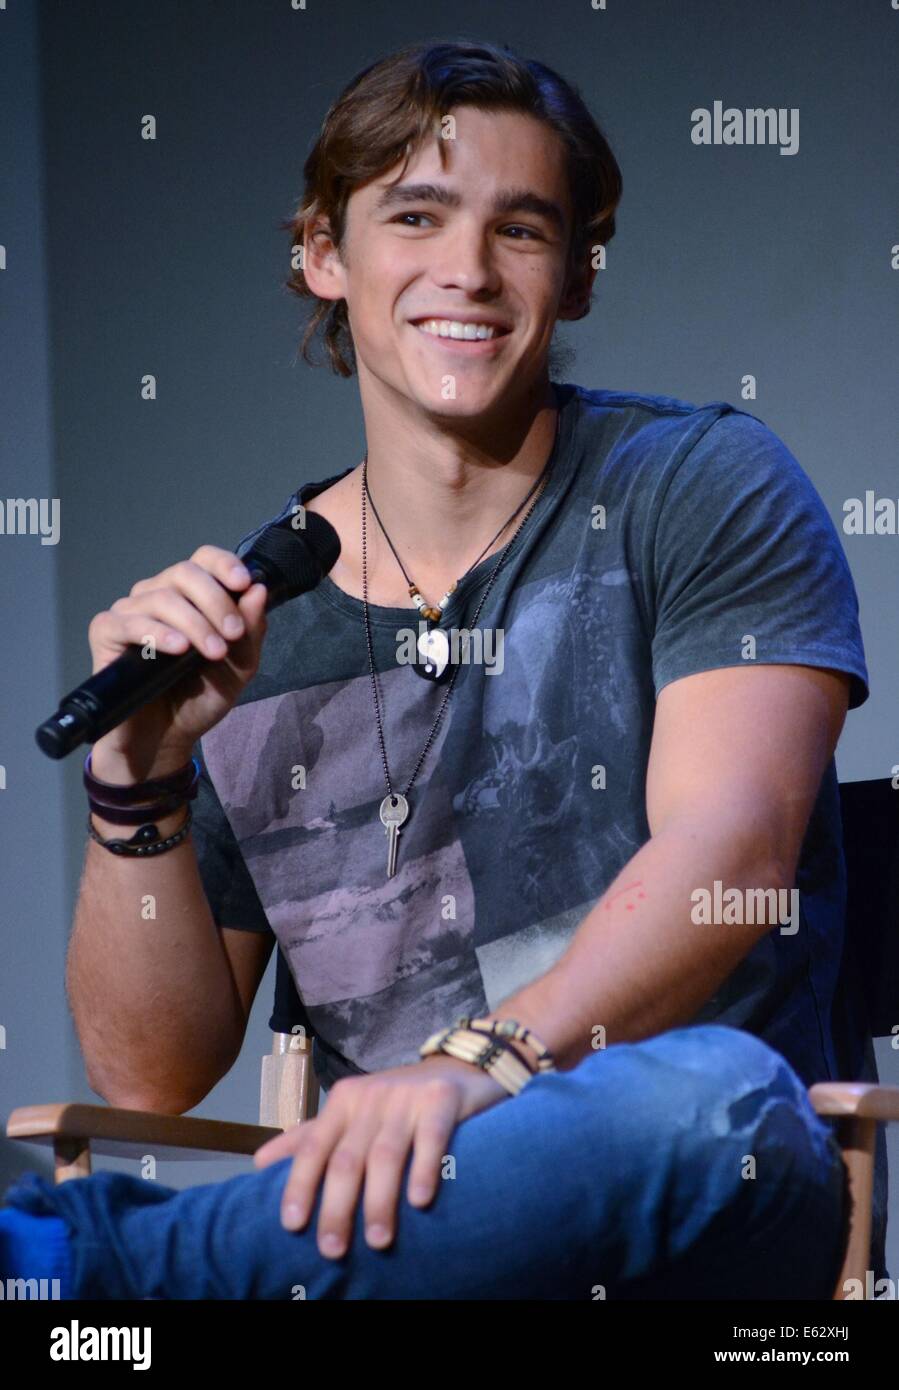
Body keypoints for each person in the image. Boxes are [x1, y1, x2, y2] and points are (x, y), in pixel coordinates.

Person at [1, 37, 886, 1299]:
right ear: (322, 252)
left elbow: (731, 853)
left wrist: (480, 1063)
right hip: (406, 1234)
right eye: (414, 216)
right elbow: (150, 1077)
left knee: (716, 1096)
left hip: (703, 1205)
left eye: (519, 229)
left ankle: (74, 1279)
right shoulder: (258, 618)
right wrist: (137, 778)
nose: (464, 270)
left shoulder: (699, 486)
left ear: (575, 275)